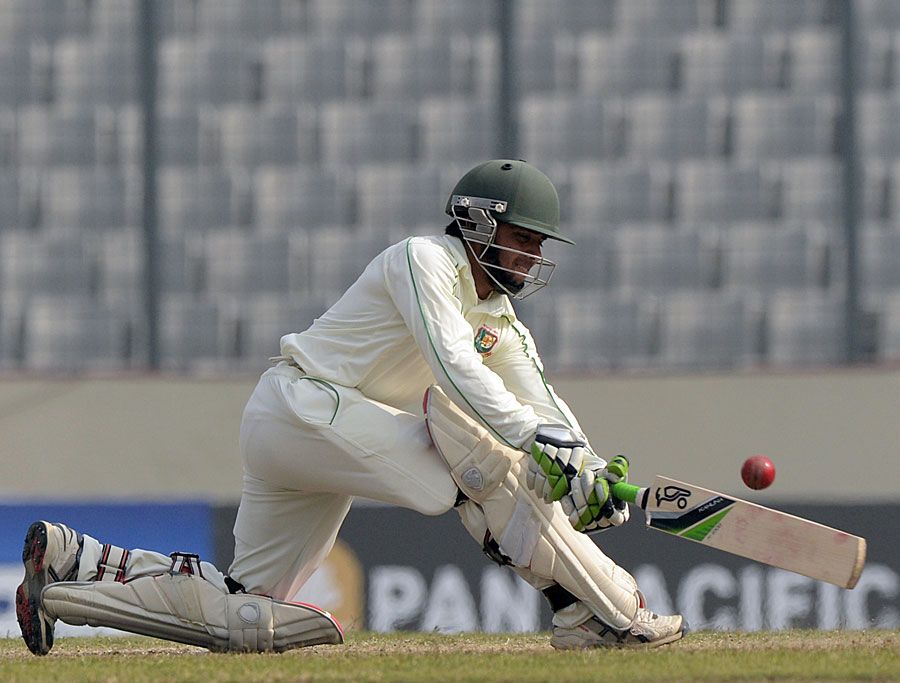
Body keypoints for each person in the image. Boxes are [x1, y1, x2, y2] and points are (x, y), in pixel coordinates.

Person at [16, 159, 684, 655]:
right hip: (304, 408)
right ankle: (593, 611)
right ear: (480, 220)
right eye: (526, 237)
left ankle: (72, 572)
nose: (535, 253)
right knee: (480, 462)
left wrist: (587, 465)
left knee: (241, 612)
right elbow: (454, 364)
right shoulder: (423, 260)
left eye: (540, 244)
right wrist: (538, 443)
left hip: (323, 433)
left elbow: (539, 398)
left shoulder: (501, 320)